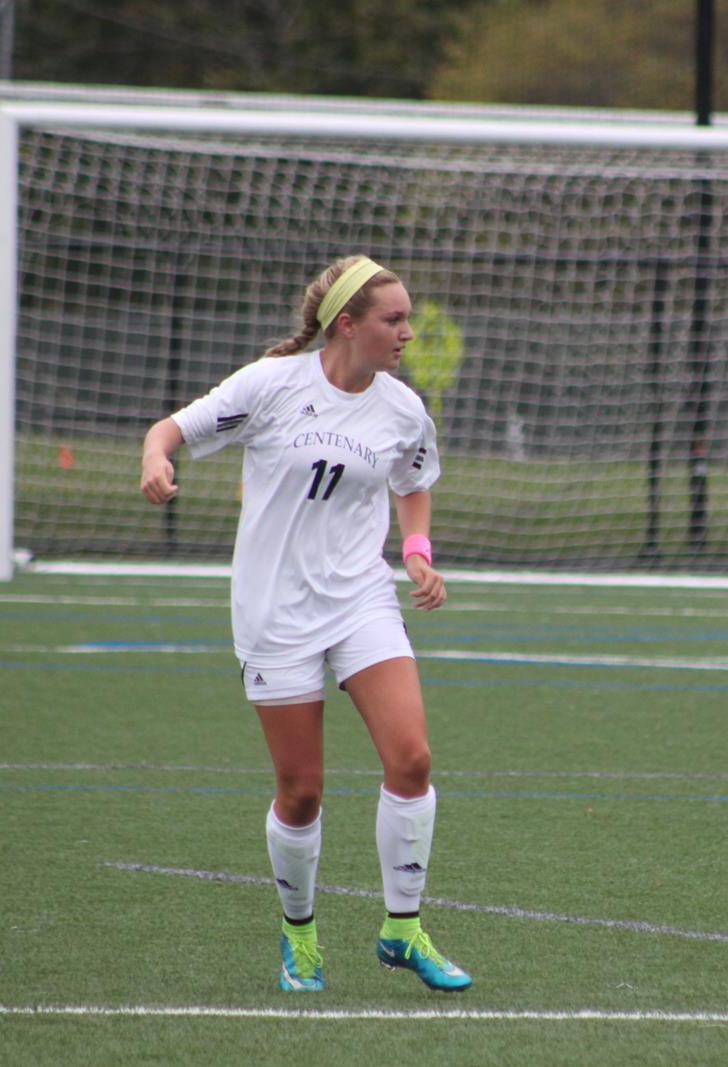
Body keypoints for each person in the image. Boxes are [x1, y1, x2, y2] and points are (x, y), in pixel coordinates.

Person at [139, 254, 471, 993]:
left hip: (360, 600)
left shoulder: (402, 409)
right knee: (302, 792)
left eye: (409, 319)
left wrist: (417, 553)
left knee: (412, 759)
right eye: (393, 320)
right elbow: (169, 430)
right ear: (346, 324)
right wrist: (155, 461)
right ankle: (301, 939)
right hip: (276, 612)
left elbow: (414, 481)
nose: (407, 333)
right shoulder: (272, 385)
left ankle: (403, 929)